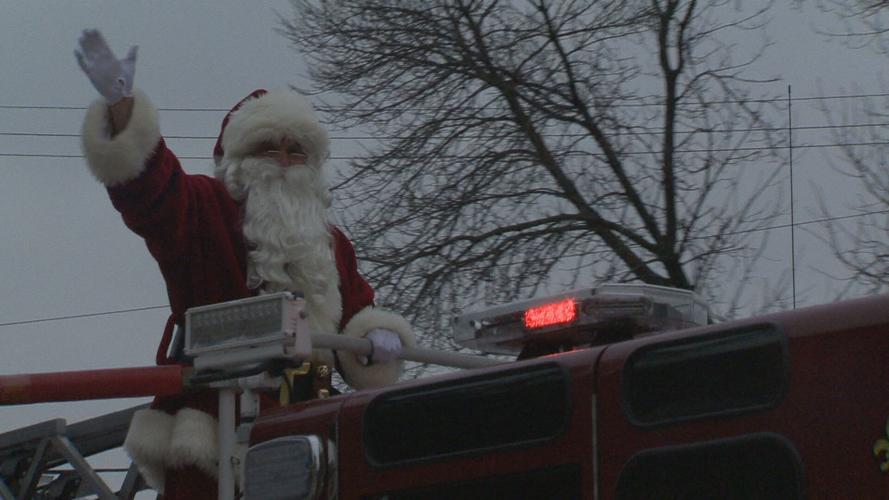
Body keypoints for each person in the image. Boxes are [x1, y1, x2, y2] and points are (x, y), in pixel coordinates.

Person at [75, 30, 414, 499]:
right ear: (237, 161)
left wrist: (379, 339)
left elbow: (358, 319)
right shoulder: (207, 211)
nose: (283, 163)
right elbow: (154, 195)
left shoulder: (331, 244)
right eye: (268, 149)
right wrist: (122, 109)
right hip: (217, 439)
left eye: (296, 152)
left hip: (312, 434)